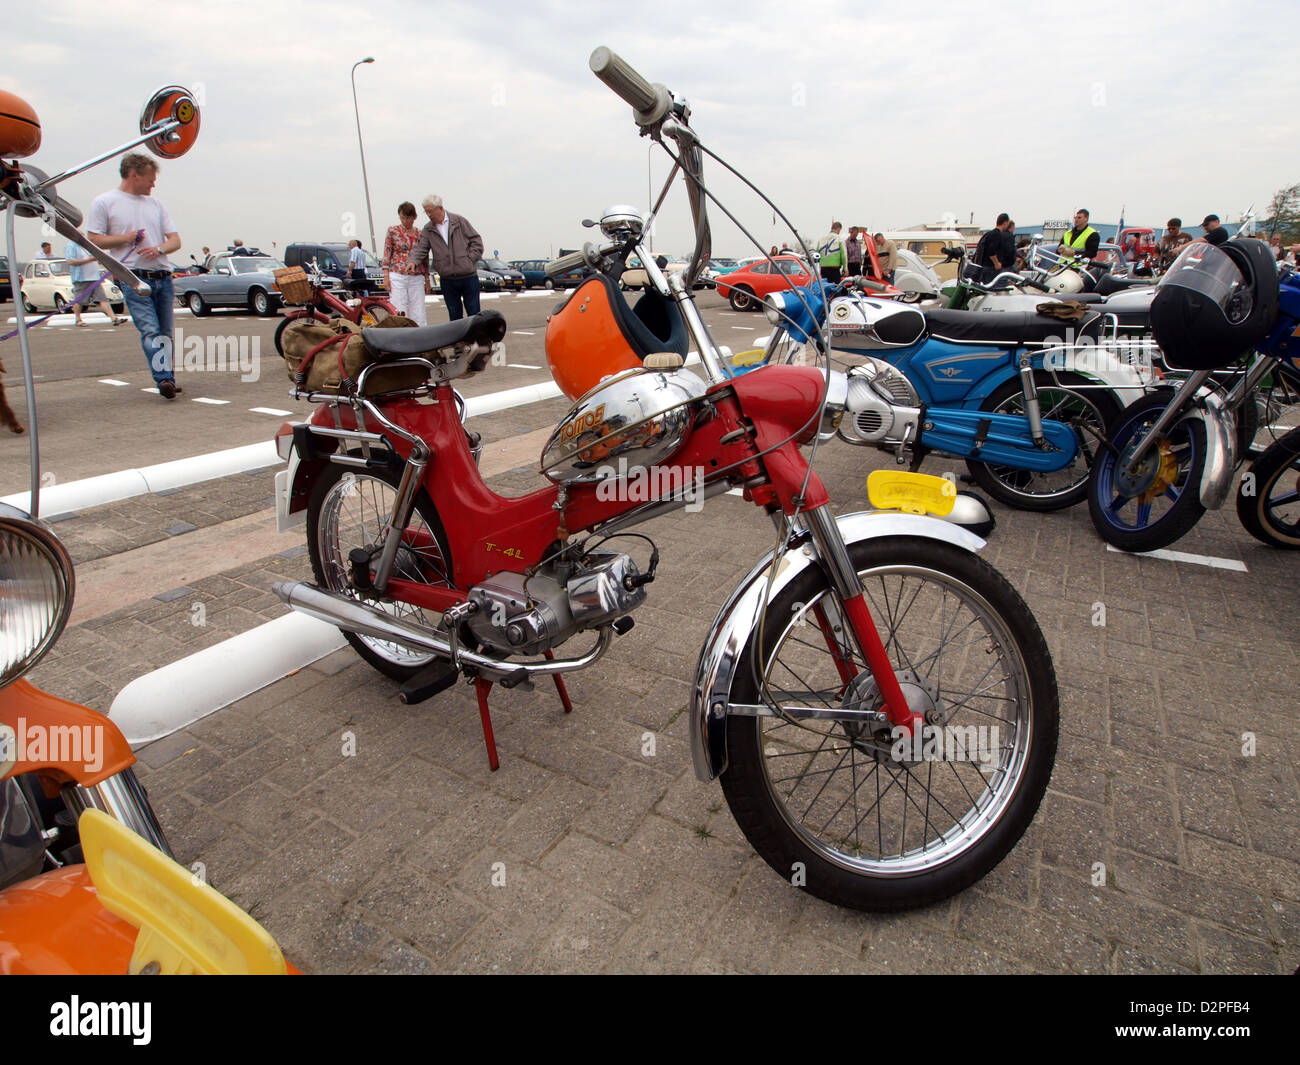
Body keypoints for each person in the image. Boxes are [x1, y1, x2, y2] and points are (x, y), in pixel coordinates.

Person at [87, 152, 182, 399]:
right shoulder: (105, 202)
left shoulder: (157, 205)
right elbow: (93, 238)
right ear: (134, 174)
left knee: (165, 333)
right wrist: (127, 238)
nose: (153, 184)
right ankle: (164, 379)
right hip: (134, 278)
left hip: (163, 275)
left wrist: (159, 248)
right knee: (150, 330)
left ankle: (167, 377)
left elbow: (175, 240)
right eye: (150, 178)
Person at [407, 195, 484, 321]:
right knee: (454, 315)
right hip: (447, 279)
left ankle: (476, 340)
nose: (428, 214)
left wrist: (469, 260)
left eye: (430, 211)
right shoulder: (428, 229)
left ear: (440, 208)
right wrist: (413, 261)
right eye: (425, 211)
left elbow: (476, 241)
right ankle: (459, 340)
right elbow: (420, 248)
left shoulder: (459, 221)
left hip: (468, 276)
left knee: (474, 313)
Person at [382, 201, 428, 326]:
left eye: (408, 217)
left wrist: (427, 279)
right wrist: (386, 276)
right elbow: (387, 253)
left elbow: (425, 256)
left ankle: (421, 335)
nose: (405, 221)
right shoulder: (393, 231)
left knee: (419, 308)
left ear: (414, 217)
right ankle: (400, 336)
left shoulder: (421, 233)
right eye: (402, 217)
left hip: (416, 275)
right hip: (397, 274)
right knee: (398, 307)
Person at [63, 237, 124, 326]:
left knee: (103, 298)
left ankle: (113, 318)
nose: (83, 236)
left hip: (94, 277)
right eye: (80, 235)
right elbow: (70, 261)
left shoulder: (87, 245)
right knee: (79, 300)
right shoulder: (71, 246)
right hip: (81, 278)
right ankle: (78, 319)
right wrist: (89, 260)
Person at [974, 213, 1012, 282]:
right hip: (990, 268)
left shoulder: (989, 234)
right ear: (1005, 223)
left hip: (984, 267)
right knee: (992, 290)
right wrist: (996, 263)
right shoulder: (996, 234)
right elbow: (991, 251)